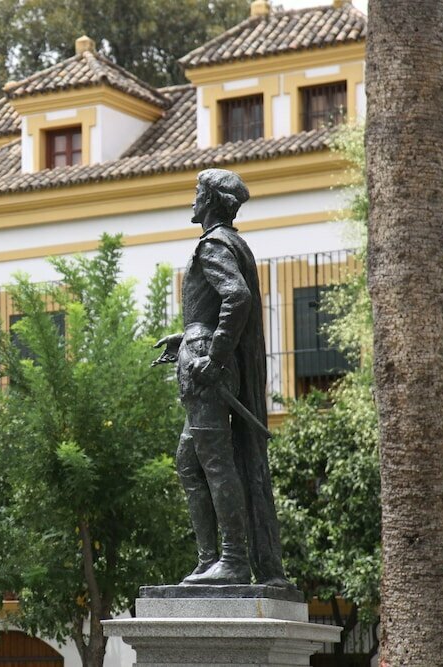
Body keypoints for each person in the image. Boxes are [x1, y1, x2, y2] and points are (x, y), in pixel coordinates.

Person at [153, 169, 289, 587]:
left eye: (198, 193)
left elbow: (237, 297)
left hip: (207, 372)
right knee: (189, 463)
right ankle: (208, 560)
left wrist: (213, 356)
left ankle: (233, 560)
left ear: (211, 200)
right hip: (201, 362)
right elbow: (219, 308)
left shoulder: (213, 244)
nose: (192, 200)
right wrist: (188, 336)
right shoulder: (230, 242)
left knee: (213, 462)